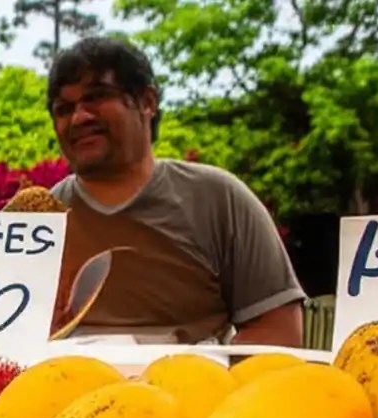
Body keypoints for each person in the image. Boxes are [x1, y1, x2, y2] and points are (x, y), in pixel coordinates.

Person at [46, 37, 306, 347]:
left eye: (97, 97)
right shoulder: (37, 222)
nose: (80, 117)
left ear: (147, 102)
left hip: (193, 389)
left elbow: (279, 331)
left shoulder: (218, 199)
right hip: (62, 389)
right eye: (64, 109)